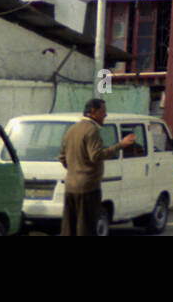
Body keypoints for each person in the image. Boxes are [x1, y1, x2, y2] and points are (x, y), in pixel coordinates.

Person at [57, 98, 136, 236]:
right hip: (88, 188)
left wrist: (75, 169)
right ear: (93, 112)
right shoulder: (92, 130)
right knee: (86, 228)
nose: (105, 115)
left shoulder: (72, 129)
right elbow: (96, 156)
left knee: (69, 229)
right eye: (103, 111)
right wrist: (120, 145)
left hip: (70, 186)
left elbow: (62, 157)